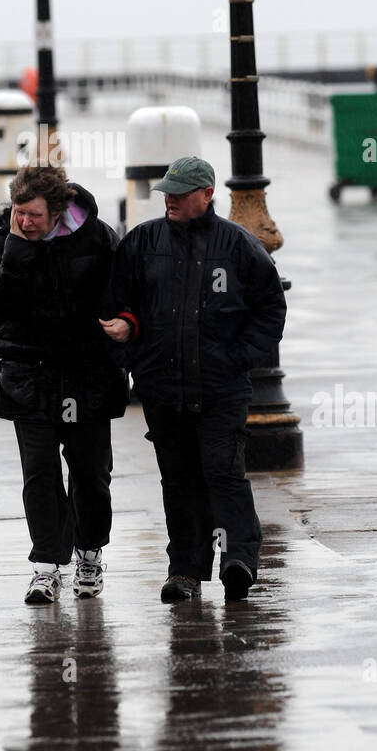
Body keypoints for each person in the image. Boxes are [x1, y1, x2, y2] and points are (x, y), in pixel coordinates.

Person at [101, 156, 286, 603]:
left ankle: (239, 559)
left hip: (221, 389)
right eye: (166, 193)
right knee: (178, 479)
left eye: (179, 195)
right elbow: (116, 302)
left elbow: (270, 308)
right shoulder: (142, 242)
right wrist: (132, 349)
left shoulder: (239, 245)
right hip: (162, 389)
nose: (169, 200)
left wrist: (237, 359)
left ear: (206, 195)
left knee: (224, 474)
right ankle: (185, 569)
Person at [0, 164, 128, 606]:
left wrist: (126, 326)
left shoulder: (97, 239)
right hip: (26, 378)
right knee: (39, 474)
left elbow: (126, 292)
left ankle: (90, 554)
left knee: (91, 474)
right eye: (19, 212)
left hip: (87, 376)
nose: (24, 221)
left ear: (57, 210)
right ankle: (45, 567)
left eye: (34, 214)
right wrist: (18, 251)